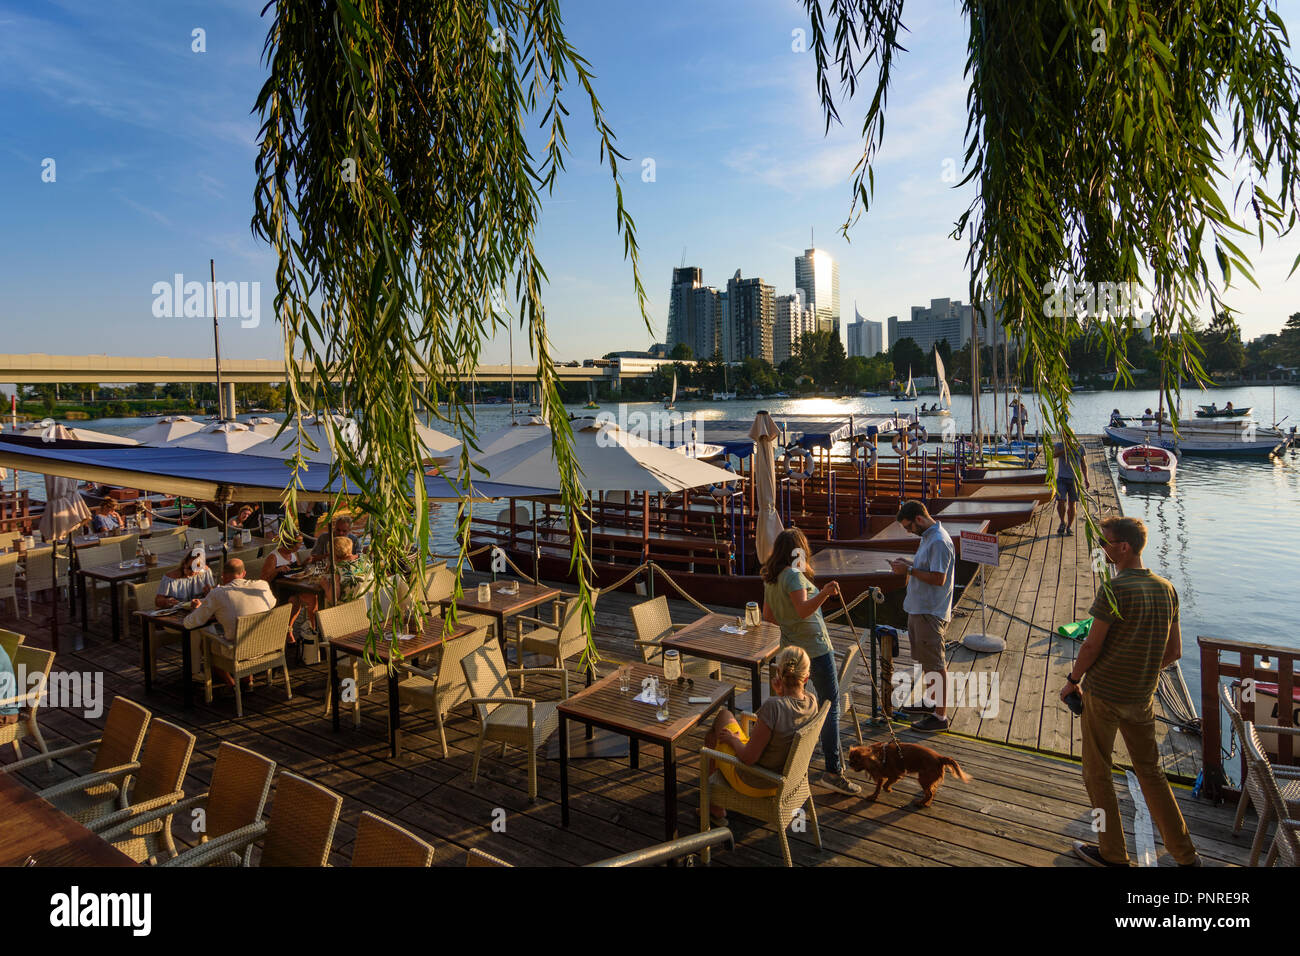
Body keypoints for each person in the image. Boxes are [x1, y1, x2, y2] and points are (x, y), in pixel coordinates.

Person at [1060, 516, 1200, 867]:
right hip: (1141, 698)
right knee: (1151, 773)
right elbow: (1175, 652)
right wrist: (1141, 669)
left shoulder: (1114, 590)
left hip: (1104, 694)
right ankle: (1185, 855)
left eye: (1106, 543)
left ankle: (1112, 853)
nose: (1103, 550)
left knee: (1097, 773)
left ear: (1123, 547)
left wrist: (1073, 678)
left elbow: (1091, 646)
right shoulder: (1167, 588)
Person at [760, 528, 861, 795]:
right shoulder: (793, 575)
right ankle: (832, 770)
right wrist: (826, 592)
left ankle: (783, 761)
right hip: (813, 649)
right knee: (830, 706)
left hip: (789, 650)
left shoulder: (771, 579)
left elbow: (768, 616)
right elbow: (804, 610)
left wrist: (789, 622)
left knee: (789, 705)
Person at [703, 646, 820, 818]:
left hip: (756, 781)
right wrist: (782, 694)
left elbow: (748, 758)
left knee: (722, 718)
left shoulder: (774, 707)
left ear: (779, 673)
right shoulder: (812, 702)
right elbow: (788, 718)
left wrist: (733, 740)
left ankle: (715, 805)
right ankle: (715, 802)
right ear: (806, 677)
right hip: (786, 780)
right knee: (717, 733)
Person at [889, 500, 956, 732]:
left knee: (935, 664)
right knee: (927, 662)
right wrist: (908, 564)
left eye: (909, 527)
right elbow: (927, 568)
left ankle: (940, 717)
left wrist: (908, 569)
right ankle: (931, 703)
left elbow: (939, 578)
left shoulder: (938, 541)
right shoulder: (928, 537)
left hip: (930, 612)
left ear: (919, 519)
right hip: (919, 609)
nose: (908, 532)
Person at [183, 558, 276, 688]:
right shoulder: (262, 585)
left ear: (223, 576)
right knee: (241, 631)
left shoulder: (218, 593)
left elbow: (190, 623)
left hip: (239, 652)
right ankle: (246, 679)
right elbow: (272, 604)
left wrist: (198, 609)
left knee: (207, 643)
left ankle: (232, 684)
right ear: (244, 573)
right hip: (267, 646)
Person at [1052, 438, 1090, 535]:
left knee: (1072, 504)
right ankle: (1062, 522)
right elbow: (1053, 455)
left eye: (1069, 436)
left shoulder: (1080, 447)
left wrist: (1086, 478)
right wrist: (1067, 449)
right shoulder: (1059, 445)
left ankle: (1069, 526)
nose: (1068, 438)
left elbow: (1084, 464)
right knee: (1060, 501)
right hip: (1062, 478)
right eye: (1066, 436)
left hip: (1074, 480)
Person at [325, 536, 374, 604]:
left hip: (350, 609)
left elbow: (333, 598)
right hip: (371, 602)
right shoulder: (365, 558)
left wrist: (325, 585)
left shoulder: (338, 568)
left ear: (334, 555)